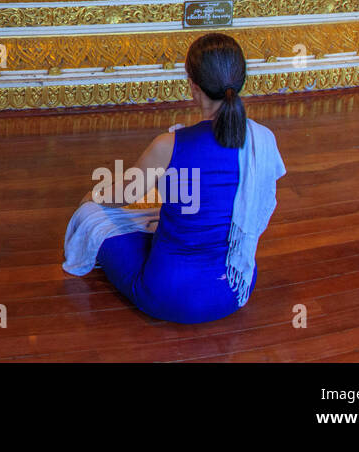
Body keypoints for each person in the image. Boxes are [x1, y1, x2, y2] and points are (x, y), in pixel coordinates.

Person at [62, 33, 286, 323]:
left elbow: (122, 196)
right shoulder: (263, 140)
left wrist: (91, 197)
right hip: (235, 287)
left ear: (193, 87)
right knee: (168, 203)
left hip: (167, 296)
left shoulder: (168, 146)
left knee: (91, 216)